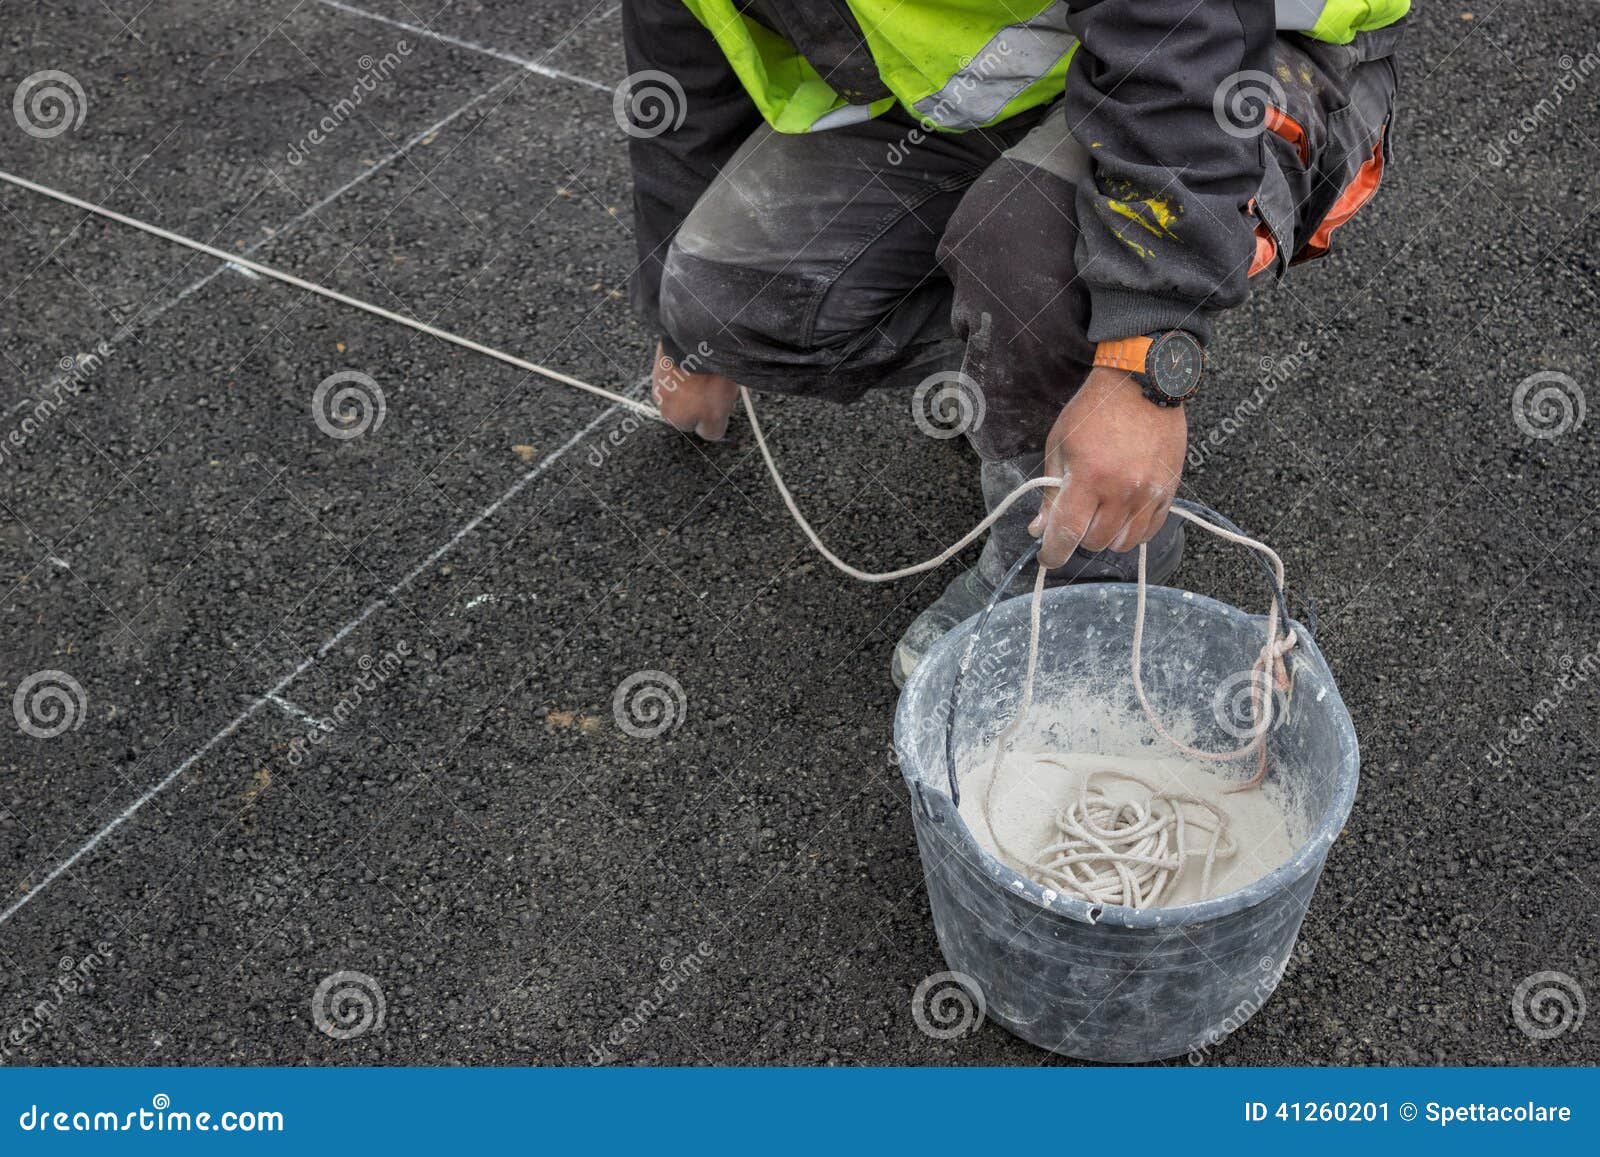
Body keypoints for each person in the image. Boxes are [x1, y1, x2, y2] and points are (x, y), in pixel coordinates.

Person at [622, 0, 1406, 684]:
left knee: (1029, 246)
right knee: (724, 298)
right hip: (1021, 69)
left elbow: (1180, 29)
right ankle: (1035, 380)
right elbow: (684, 56)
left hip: (1238, 55)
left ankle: (1087, 569)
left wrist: (1145, 360)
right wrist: (681, 331)